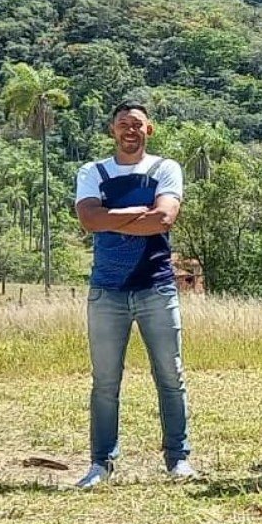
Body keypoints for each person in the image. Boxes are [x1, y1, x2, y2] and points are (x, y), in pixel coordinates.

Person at [73, 101, 196, 488]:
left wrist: (112, 218)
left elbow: (164, 218)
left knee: (170, 376)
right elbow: (88, 219)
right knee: (105, 382)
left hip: (156, 288)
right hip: (106, 292)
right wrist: (137, 214)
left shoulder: (165, 168)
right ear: (113, 130)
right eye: (123, 124)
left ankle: (178, 459)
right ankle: (100, 464)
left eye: (137, 124)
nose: (130, 130)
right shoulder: (93, 171)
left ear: (149, 130)